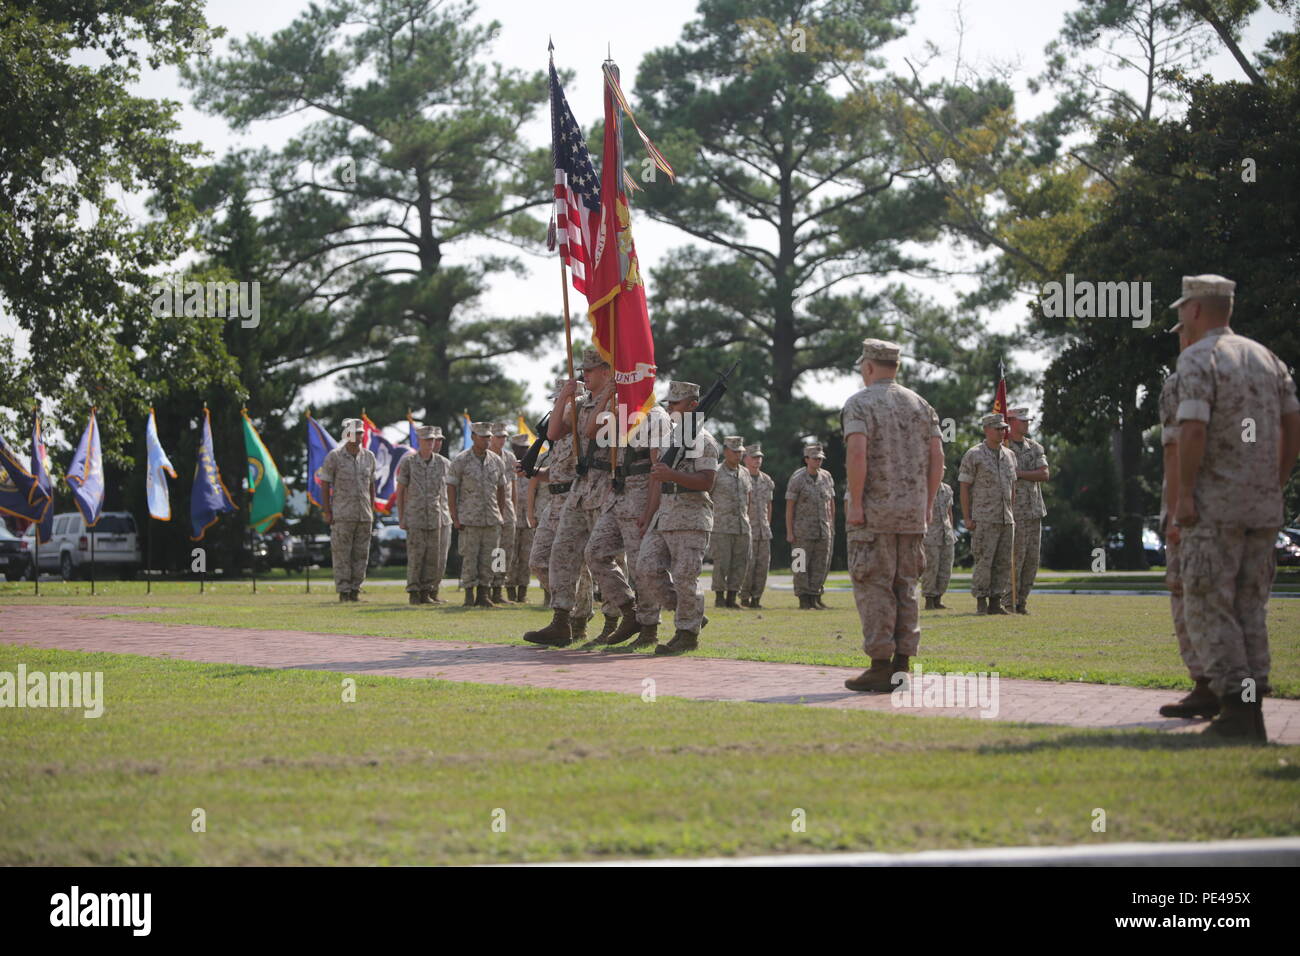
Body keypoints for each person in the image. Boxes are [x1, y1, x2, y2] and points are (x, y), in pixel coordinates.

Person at [1172, 274, 1300, 741]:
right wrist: (1277, 479)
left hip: (1216, 506)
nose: (1181, 316)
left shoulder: (1198, 359)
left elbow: (1192, 429)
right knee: (1251, 607)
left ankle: (1235, 709)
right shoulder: (1266, 358)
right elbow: (1292, 420)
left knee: (1210, 602)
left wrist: (1185, 494)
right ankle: (1253, 711)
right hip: (1262, 505)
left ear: (1197, 310)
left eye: (1183, 308)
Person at [841, 339, 944, 691]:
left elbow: (857, 453)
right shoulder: (921, 405)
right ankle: (903, 664)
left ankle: (880, 664)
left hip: (875, 513)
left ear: (868, 366)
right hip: (912, 514)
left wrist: (856, 502)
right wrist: (927, 504)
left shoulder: (859, 403)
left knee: (875, 586)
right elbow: (937, 458)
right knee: (906, 587)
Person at [525, 349, 618, 646]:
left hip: (601, 489)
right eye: (583, 371)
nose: (584, 375)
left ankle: (609, 619)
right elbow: (552, 433)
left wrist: (601, 399)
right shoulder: (577, 405)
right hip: (572, 494)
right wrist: (565, 398)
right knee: (549, 558)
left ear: (606, 370)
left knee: (600, 560)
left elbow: (592, 434)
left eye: (590, 370)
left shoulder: (613, 405)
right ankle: (566, 619)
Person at [1156, 321, 1216, 719]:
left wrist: (1177, 509)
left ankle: (1206, 686)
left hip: (1195, 512)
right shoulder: (1263, 365)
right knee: (1241, 600)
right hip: (1246, 509)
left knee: (1188, 595)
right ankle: (1245, 701)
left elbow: (1177, 448)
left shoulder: (1183, 379)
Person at [585, 388, 671, 650]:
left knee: (639, 565)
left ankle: (649, 629)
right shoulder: (621, 414)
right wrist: (606, 395)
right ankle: (629, 611)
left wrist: (650, 511)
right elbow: (591, 433)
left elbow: (658, 470)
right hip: (618, 496)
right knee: (595, 552)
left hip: (641, 497)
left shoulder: (656, 417)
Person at [637, 381, 719, 654]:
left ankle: (687, 633)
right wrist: (648, 515)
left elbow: (707, 481)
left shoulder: (705, 441)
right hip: (664, 515)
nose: (669, 407)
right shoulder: (667, 440)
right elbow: (656, 481)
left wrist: (673, 475)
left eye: (675, 403)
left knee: (685, 577)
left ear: (693, 405)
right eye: (668, 402)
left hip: (691, 516)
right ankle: (692, 612)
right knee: (646, 569)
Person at [525, 379, 597, 643]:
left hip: (574, 501)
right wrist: (534, 472)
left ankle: (574, 621)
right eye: (556, 400)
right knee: (539, 561)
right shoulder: (558, 437)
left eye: (562, 400)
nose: (557, 404)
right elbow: (556, 473)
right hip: (553, 503)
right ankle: (573, 614)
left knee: (576, 565)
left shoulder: (582, 435)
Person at [447, 421, 509, 607]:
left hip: (491, 518)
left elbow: (501, 488)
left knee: (489, 559)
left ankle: (484, 595)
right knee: (469, 557)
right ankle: (468, 595)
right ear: (473, 437)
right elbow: (451, 488)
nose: (487, 440)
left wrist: (500, 512)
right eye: (483, 437)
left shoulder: (496, 461)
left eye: (489, 437)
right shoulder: (461, 460)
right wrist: (455, 516)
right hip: (469, 519)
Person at [959, 414, 1016, 615]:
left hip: (1006, 518)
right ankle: (981, 601)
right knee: (984, 561)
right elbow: (964, 487)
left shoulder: (1009, 455)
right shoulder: (974, 455)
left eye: (1003, 429)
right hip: (984, 518)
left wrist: (1012, 513)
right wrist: (967, 517)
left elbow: (1012, 487)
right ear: (986, 430)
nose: (1002, 432)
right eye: (997, 428)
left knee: (1003, 562)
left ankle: (995, 601)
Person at [315, 417, 377, 602]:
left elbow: (371, 485)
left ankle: (356, 590)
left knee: (361, 555)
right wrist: (327, 511)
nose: (358, 436)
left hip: (364, 515)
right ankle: (344, 591)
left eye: (361, 433)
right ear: (346, 434)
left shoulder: (369, 457)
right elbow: (325, 485)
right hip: (342, 514)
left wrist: (371, 509)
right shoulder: (334, 456)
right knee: (342, 554)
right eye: (355, 433)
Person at [394, 424, 449, 605]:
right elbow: (400, 491)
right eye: (426, 440)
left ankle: (427, 591)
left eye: (432, 440)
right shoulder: (408, 462)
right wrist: (401, 517)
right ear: (419, 441)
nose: (430, 443)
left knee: (433, 557)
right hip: (415, 517)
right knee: (416, 556)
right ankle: (414, 592)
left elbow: (448, 489)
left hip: (435, 516)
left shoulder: (442, 463)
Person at [1006, 407, 1050, 614]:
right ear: (1011, 422)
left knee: (1032, 561)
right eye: (1022, 421)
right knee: (1015, 558)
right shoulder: (1003, 448)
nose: (1026, 424)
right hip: (1014, 512)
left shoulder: (1035, 447)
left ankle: (1022, 602)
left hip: (1034, 511)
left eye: (1027, 421)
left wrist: (1020, 473)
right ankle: (1008, 601)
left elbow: (1044, 474)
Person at [785, 443, 836, 609]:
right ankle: (803, 599)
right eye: (815, 458)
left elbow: (831, 503)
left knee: (821, 565)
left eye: (821, 459)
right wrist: (790, 532)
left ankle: (815, 596)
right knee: (800, 566)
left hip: (823, 530)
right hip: (802, 532)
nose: (818, 461)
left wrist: (832, 524)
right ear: (806, 459)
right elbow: (790, 507)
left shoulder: (826, 477)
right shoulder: (798, 478)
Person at [709, 436, 752, 609]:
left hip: (742, 525)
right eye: (734, 452)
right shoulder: (716, 472)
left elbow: (748, 498)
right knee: (722, 563)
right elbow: (707, 495)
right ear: (725, 451)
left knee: (740, 563)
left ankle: (732, 598)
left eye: (740, 452)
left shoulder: (745, 472)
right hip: (721, 526)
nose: (738, 455)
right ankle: (719, 598)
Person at [739, 443, 774, 608]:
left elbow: (769, 505)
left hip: (763, 530)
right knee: (747, 565)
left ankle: (757, 599)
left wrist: (767, 524)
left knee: (762, 566)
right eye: (754, 457)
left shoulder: (766, 480)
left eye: (759, 457)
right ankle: (744, 598)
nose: (757, 460)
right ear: (745, 459)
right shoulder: (739, 476)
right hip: (746, 529)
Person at [489, 423, 517, 605]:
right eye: (498, 436)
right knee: (491, 551)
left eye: (504, 437)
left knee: (504, 552)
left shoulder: (510, 458)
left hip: (507, 510)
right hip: (489, 510)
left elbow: (512, 486)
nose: (502, 440)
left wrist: (513, 508)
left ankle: (498, 589)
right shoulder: (486, 457)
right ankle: (485, 588)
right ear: (491, 438)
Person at [507, 432, 536, 603]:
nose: (523, 451)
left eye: (526, 448)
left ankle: (522, 593)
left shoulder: (532, 466)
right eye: (520, 448)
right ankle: (509, 590)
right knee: (509, 557)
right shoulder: (507, 466)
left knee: (526, 558)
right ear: (513, 448)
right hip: (510, 519)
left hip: (527, 521)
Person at [921, 479, 955, 609]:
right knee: (931, 569)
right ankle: (929, 600)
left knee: (945, 569)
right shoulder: (923, 488)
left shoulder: (947, 489)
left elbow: (949, 512)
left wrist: (951, 530)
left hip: (946, 535)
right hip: (930, 535)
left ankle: (938, 599)